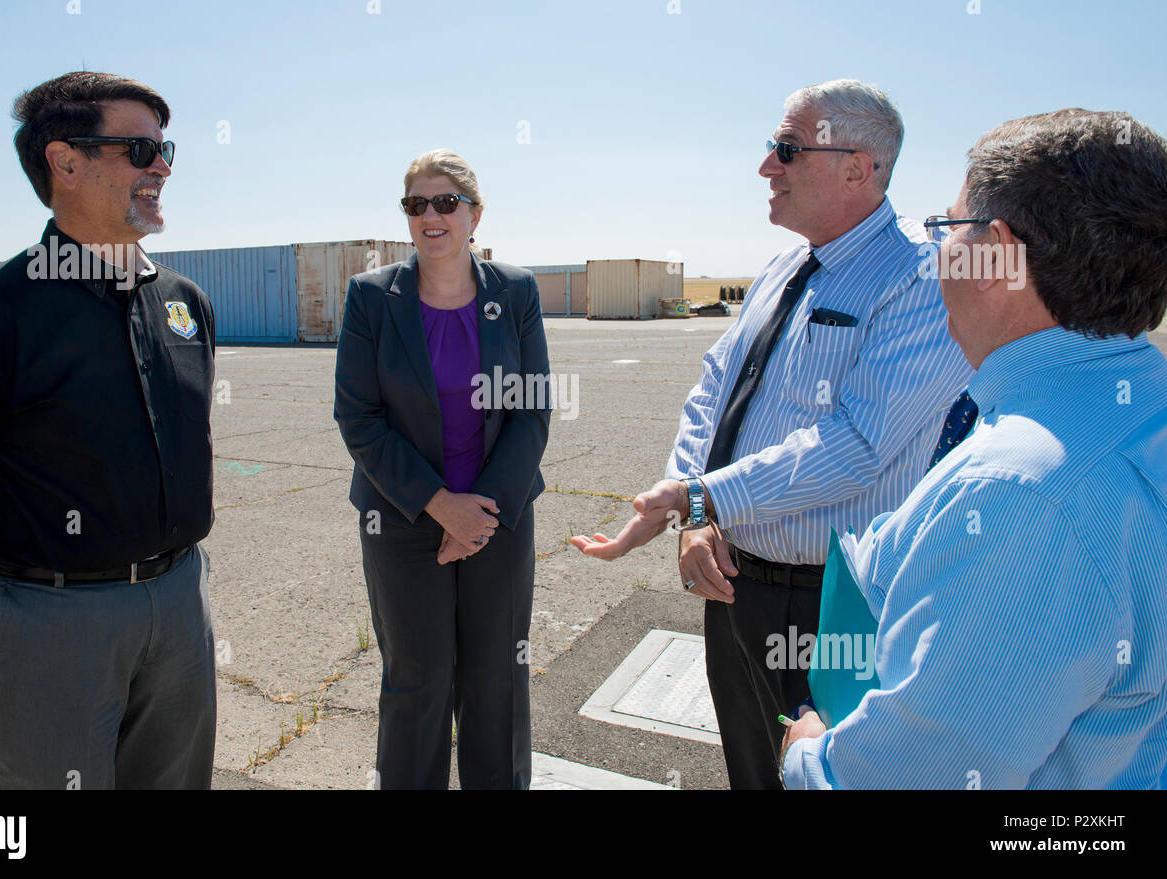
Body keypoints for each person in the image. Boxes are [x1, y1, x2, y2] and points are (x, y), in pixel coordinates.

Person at [571, 79, 971, 788]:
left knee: (831, 779)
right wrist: (695, 515)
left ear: (858, 167)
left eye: (787, 149)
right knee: (752, 774)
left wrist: (700, 496)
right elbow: (713, 391)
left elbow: (857, 445)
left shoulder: (920, 276)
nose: (766, 167)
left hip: (835, 607)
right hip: (735, 593)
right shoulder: (783, 267)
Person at [781, 109, 1167, 789]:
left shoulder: (1021, 494)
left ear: (993, 253)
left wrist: (807, 755)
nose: (937, 253)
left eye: (947, 228)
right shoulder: (1142, 401)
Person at [0, 71, 217, 789]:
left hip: (182, 608)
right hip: (48, 621)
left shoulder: (184, 305)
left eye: (166, 149)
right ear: (64, 163)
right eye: (137, 148)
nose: (160, 166)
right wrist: (22, 600)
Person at [334, 149, 550, 789]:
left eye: (445, 203)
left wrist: (477, 513)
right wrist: (438, 504)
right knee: (417, 679)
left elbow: (531, 413)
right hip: (401, 519)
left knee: (496, 678)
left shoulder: (516, 292)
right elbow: (359, 417)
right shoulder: (372, 298)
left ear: (474, 214)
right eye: (416, 205)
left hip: (497, 518)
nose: (431, 216)